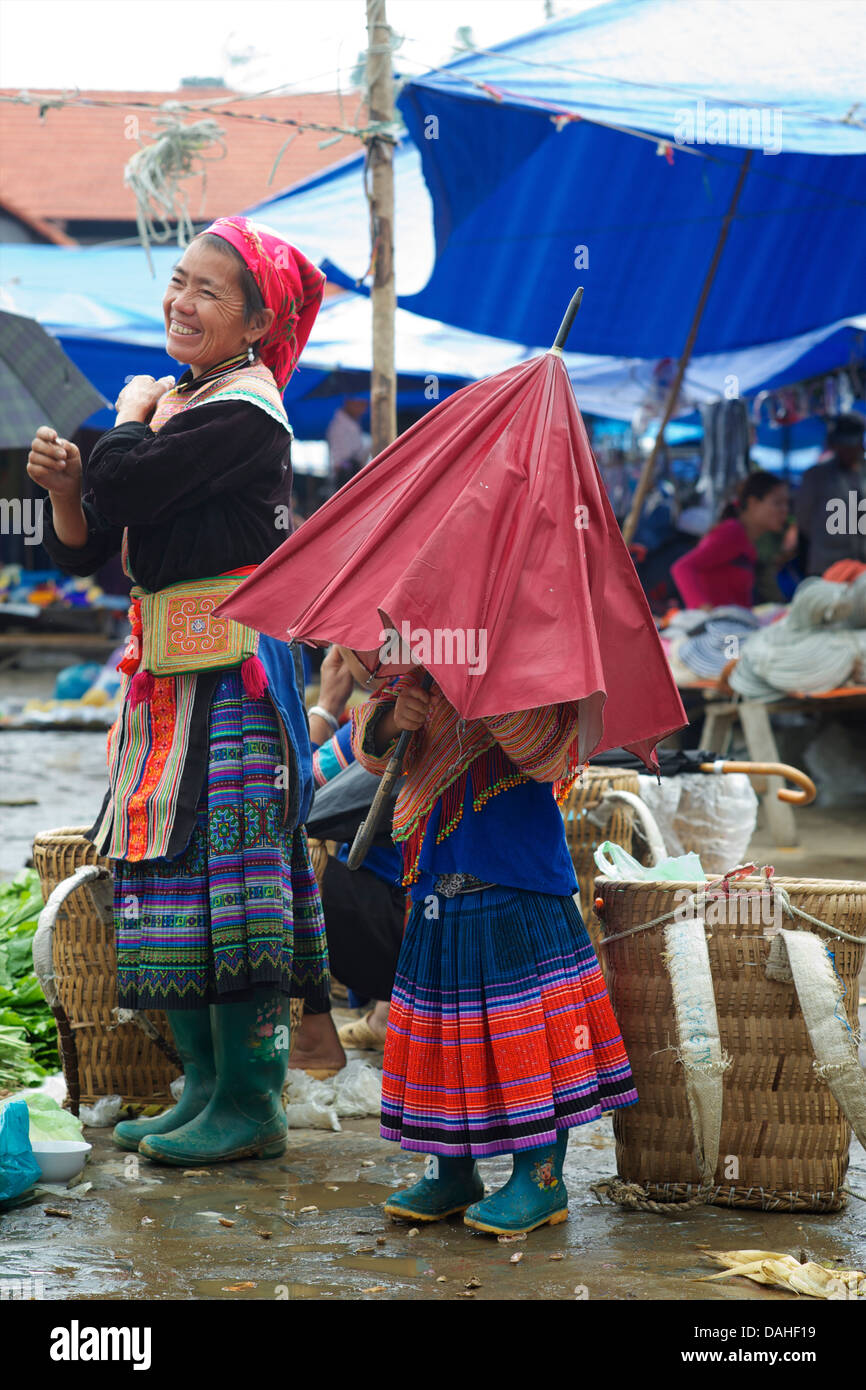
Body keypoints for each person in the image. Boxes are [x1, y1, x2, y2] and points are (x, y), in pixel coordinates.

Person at [28, 216, 329, 1166]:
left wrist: (120, 421)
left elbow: (130, 488)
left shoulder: (243, 412)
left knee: (233, 887)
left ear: (253, 324)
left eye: (206, 290)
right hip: (168, 681)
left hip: (231, 685)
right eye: (179, 283)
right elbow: (103, 535)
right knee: (172, 882)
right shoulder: (195, 406)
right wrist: (72, 488)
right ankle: (203, 1088)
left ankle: (251, 1102)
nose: (179, 301)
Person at [351, 674, 638, 1236]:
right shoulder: (424, 659)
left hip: (520, 881)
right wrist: (393, 718)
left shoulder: (544, 662)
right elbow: (371, 748)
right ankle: (450, 1170)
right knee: (443, 1034)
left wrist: (484, 690)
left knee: (530, 1037)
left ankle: (541, 1178)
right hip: (437, 880)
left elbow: (549, 757)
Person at [289, 646, 405, 1076]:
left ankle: (313, 1037)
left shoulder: (389, 712)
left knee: (283, 866)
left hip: (402, 933)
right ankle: (383, 1014)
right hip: (420, 919)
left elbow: (294, 793)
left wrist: (326, 703)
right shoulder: (416, 699)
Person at [670, 470, 792, 610]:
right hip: (715, 628)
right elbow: (682, 568)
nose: (785, 510)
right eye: (777, 503)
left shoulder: (748, 544)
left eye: (786, 504)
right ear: (753, 503)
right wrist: (706, 611)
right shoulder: (732, 532)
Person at [794, 413, 866, 575]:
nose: (847, 451)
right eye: (842, 446)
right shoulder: (816, 476)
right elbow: (804, 518)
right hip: (828, 567)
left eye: (851, 446)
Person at [326, 398, 371, 487]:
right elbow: (343, 460)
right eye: (362, 403)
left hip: (349, 473)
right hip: (346, 476)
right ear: (350, 402)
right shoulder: (339, 427)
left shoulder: (351, 423)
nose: (364, 409)